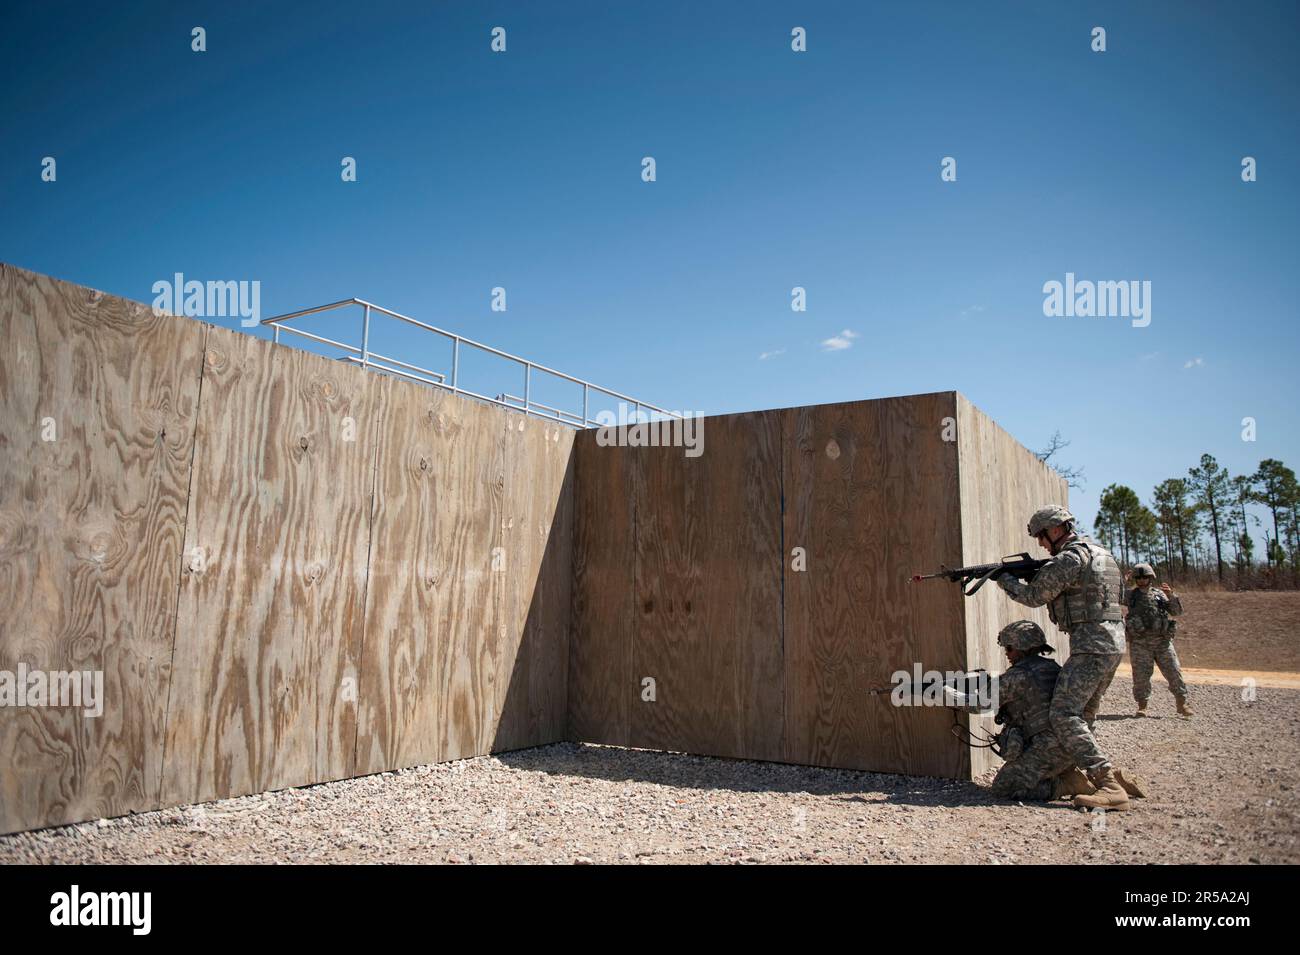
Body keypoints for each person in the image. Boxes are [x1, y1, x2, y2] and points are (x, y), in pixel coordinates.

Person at [996, 505, 1132, 810]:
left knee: (1063, 713)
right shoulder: (1102, 554)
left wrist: (1004, 580)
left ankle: (1107, 784)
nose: (1042, 544)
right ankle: (1087, 774)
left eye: (1042, 537)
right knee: (1084, 716)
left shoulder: (1071, 557)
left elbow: (1033, 596)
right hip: (1112, 643)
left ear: (1055, 529)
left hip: (1091, 645)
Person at [1124, 563, 1192, 717]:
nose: (1141, 580)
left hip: (1162, 642)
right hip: (1140, 643)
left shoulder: (1160, 594)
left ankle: (1182, 703)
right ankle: (1142, 706)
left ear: (1150, 578)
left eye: (1145, 577)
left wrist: (1171, 596)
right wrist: (1124, 582)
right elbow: (1114, 595)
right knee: (1141, 676)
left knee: (1174, 672)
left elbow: (1176, 612)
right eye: (1138, 577)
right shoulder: (1130, 595)